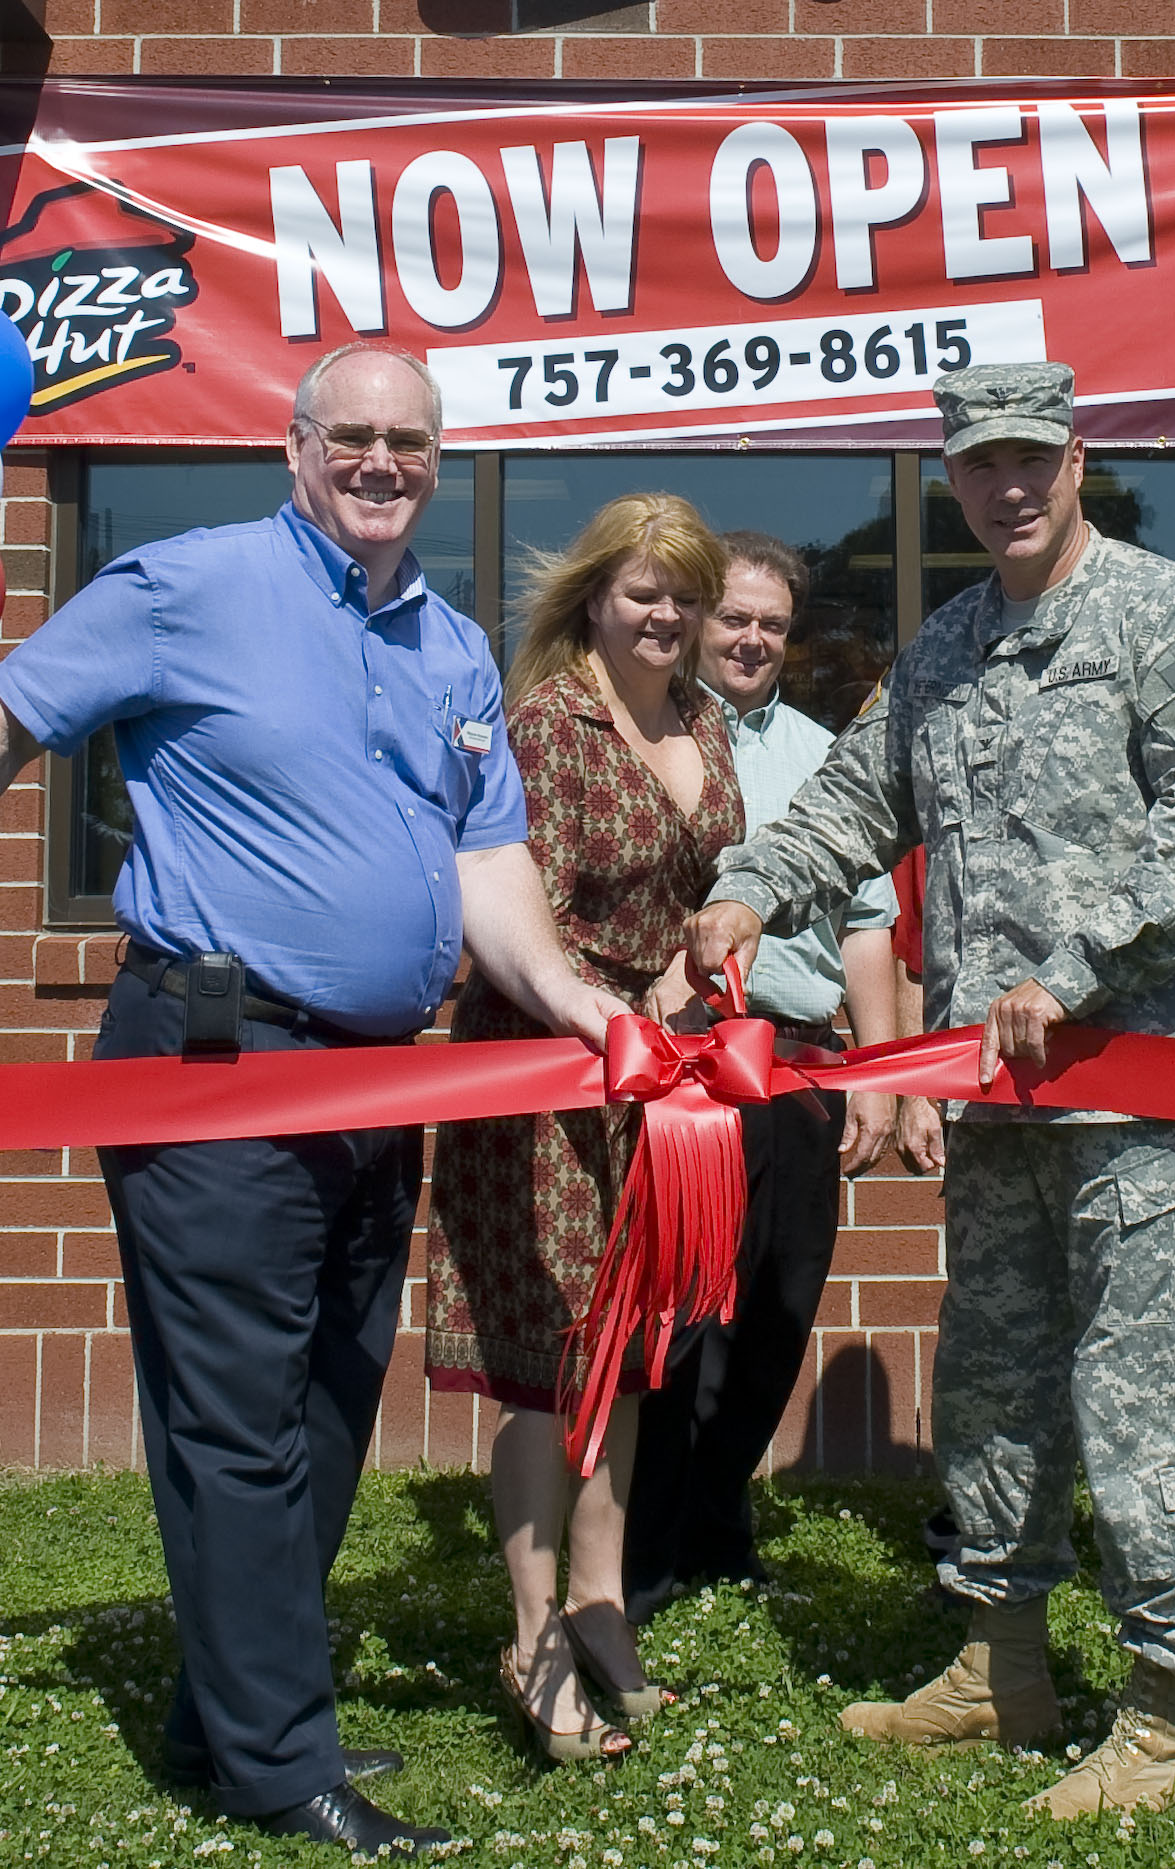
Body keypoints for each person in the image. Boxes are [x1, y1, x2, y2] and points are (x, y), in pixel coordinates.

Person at [0, 343, 621, 1857]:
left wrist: (574, 997)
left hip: (385, 1080)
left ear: (438, 463)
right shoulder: (188, 587)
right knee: (239, 1418)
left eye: (411, 445)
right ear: (294, 448)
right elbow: (4, 719)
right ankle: (277, 1763)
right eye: (354, 438)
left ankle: (235, 1702)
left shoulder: (445, 643)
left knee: (320, 1411)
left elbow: (484, 862)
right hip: (213, 1062)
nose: (382, 465)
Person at [685, 363, 1175, 1819]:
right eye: (977, 465)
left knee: (1144, 1397)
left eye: (1029, 457)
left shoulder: (1172, 615)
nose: (1005, 485)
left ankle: (1165, 1708)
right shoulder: (946, 646)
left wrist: (1075, 965)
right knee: (995, 1386)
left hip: (1149, 1096)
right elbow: (852, 801)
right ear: (952, 480)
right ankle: (1001, 1655)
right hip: (1001, 1101)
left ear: (1077, 458)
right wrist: (750, 888)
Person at [423, 494, 745, 1763]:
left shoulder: (704, 718)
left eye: (683, 593)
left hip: (665, 1081)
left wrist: (702, 971)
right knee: (556, 1356)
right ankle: (533, 1630)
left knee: (636, 1347)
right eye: (639, 592)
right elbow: (514, 913)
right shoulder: (547, 725)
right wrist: (615, 1006)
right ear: (593, 598)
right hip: (549, 1073)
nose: (662, 614)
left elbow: (708, 885)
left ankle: (606, 1605)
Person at [620, 531, 902, 1627]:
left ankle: (717, 1519)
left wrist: (878, 1077)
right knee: (686, 1310)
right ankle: (644, 1554)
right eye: (733, 618)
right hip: (686, 1064)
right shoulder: (659, 739)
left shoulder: (827, 757)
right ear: (694, 622)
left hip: (801, 1061)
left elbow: (869, 928)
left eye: (772, 625)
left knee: (782, 1302)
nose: (751, 640)